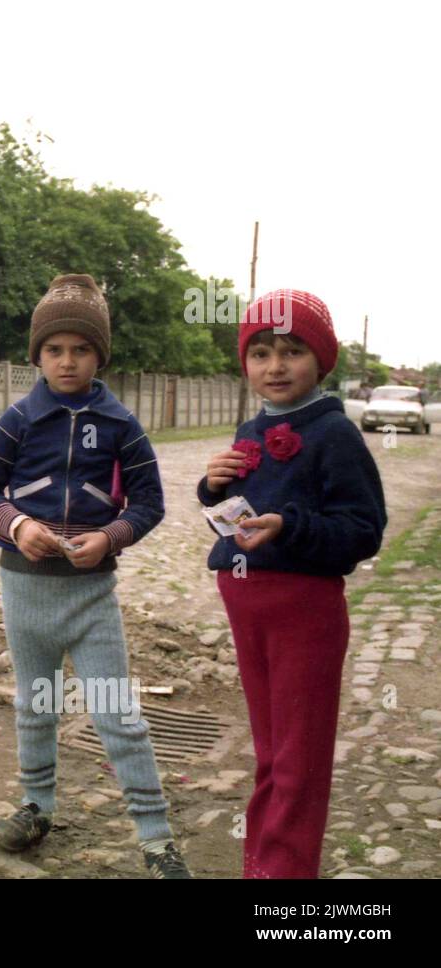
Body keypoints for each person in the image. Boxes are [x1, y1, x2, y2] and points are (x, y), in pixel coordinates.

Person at [0, 273, 189, 878]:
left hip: (92, 595)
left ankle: (156, 837)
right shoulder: (18, 420)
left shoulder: (122, 425)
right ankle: (36, 806)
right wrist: (15, 526)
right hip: (23, 588)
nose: (68, 361)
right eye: (55, 349)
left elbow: (150, 503)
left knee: (118, 713)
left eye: (82, 349)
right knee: (35, 704)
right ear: (37, 355)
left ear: (100, 355)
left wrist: (111, 538)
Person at [198, 289, 387, 878]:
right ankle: (263, 865)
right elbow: (240, 506)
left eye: (292, 351)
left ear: (321, 360)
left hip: (303, 608)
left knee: (299, 759)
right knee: (271, 751)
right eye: (260, 353)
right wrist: (213, 486)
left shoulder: (334, 433)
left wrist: (290, 528)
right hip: (245, 600)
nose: (275, 366)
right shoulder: (252, 426)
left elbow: (363, 529)